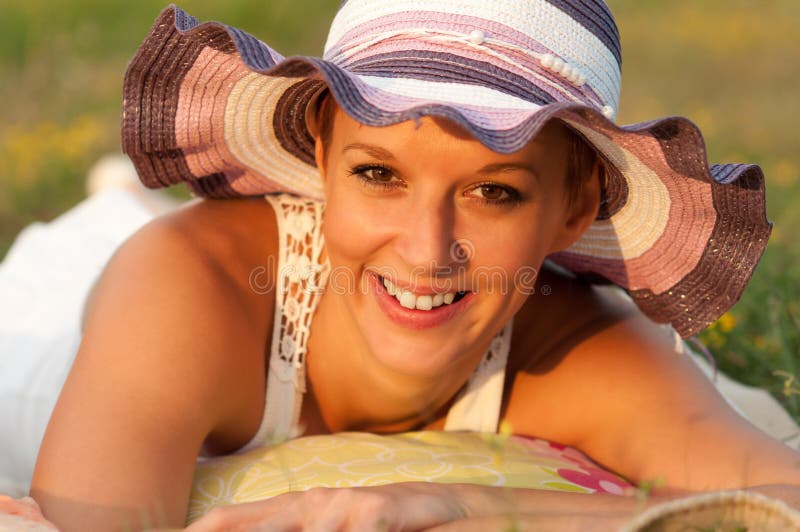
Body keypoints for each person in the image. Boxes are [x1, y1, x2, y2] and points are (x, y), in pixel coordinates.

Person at [24, 0, 800, 530]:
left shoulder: (574, 349)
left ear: (572, 207)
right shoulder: (189, 289)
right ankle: (115, 197)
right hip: (56, 313)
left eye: (494, 192)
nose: (428, 251)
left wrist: (470, 503)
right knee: (115, 239)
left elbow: (778, 503)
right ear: (321, 155)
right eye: (378, 174)